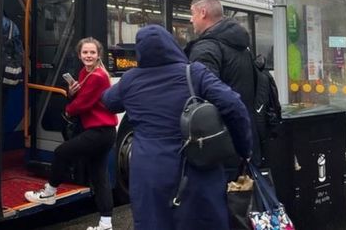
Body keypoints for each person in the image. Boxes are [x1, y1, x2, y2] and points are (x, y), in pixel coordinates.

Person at [102, 25, 252, 230]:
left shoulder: (130, 79)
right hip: (195, 166)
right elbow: (234, 106)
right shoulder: (194, 73)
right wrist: (244, 149)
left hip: (149, 170)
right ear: (172, 45)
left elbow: (109, 102)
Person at [24, 37, 117, 230]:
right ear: (79, 55)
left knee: (61, 152)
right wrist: (72, 92)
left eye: (92, 52)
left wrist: (68, 109)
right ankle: (106, 223)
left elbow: (82, 104)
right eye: (85, 52)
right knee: (99, 176)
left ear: (98, 55)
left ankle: (49, 192)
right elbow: (82, 98)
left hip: (100, 131)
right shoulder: (85, 72)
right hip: (101, 132)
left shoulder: (97, 77)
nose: (88, 56)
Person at [184, 0, 263, 166]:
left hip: (219, 144)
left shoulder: (206, 48)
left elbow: (203, 97)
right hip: (245, 135)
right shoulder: (242, 46)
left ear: (203, 13)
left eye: (193, 13)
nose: (191, 19)